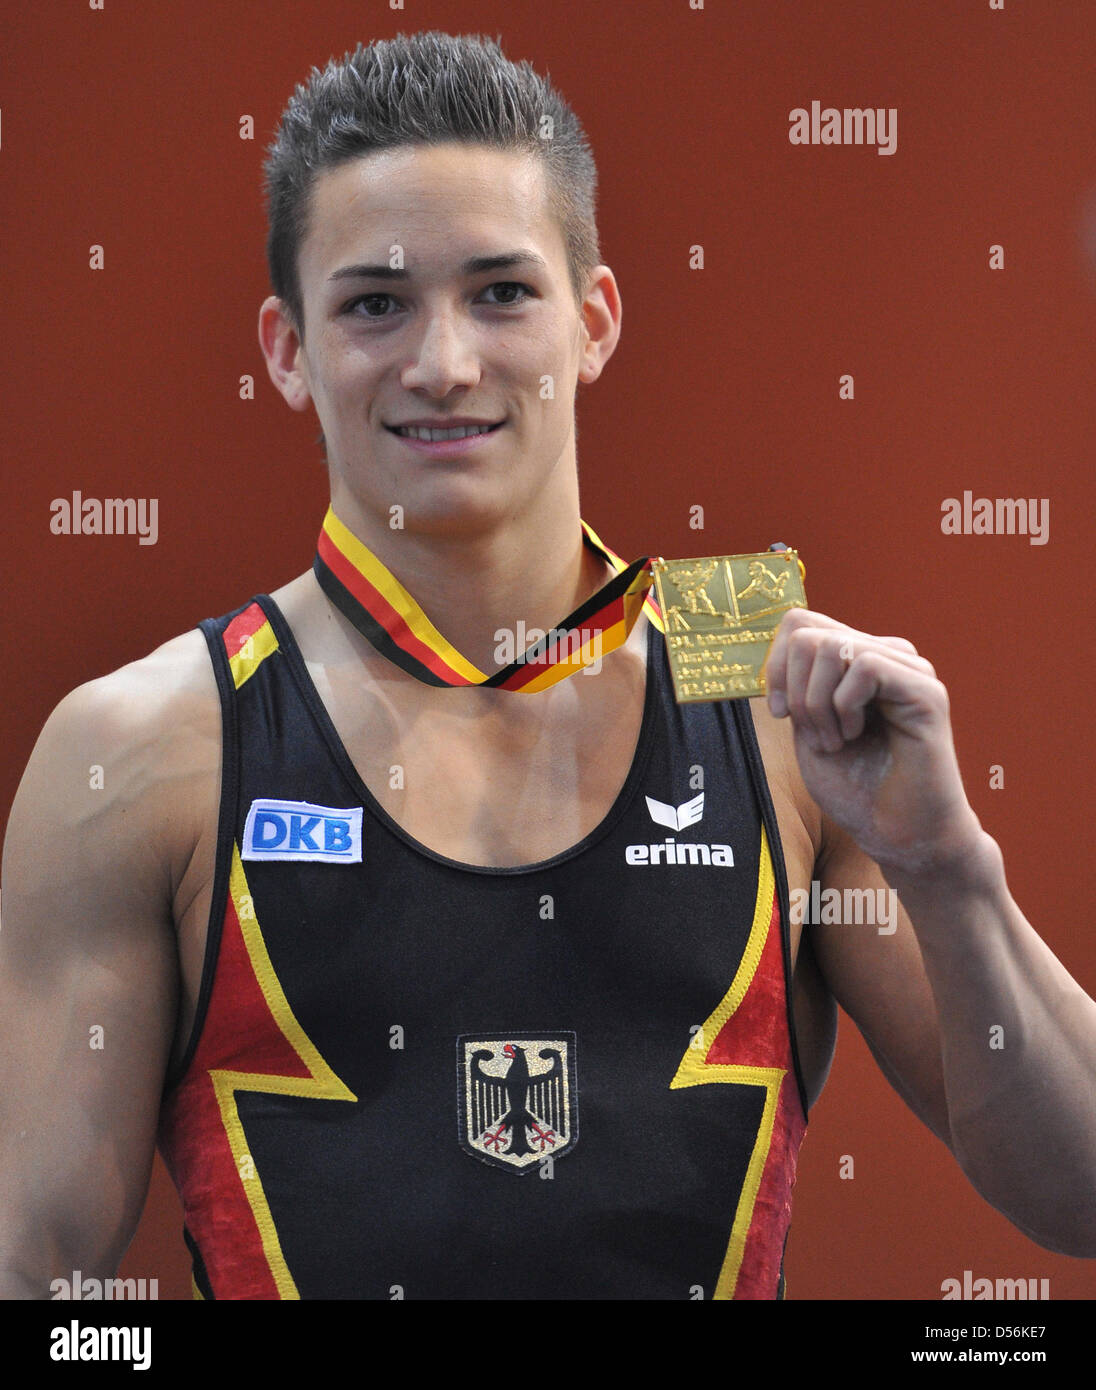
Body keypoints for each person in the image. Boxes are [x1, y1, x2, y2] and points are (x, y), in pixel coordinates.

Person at [2, 30, 1094, 1302]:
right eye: (375, 303)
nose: (444, 364)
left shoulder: (773, 688)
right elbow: (38, 1296)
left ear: (593, 322)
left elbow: (1075, 1198)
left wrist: (949, 870)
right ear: (287, 349)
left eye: (502, 292)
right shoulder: (137, 747)